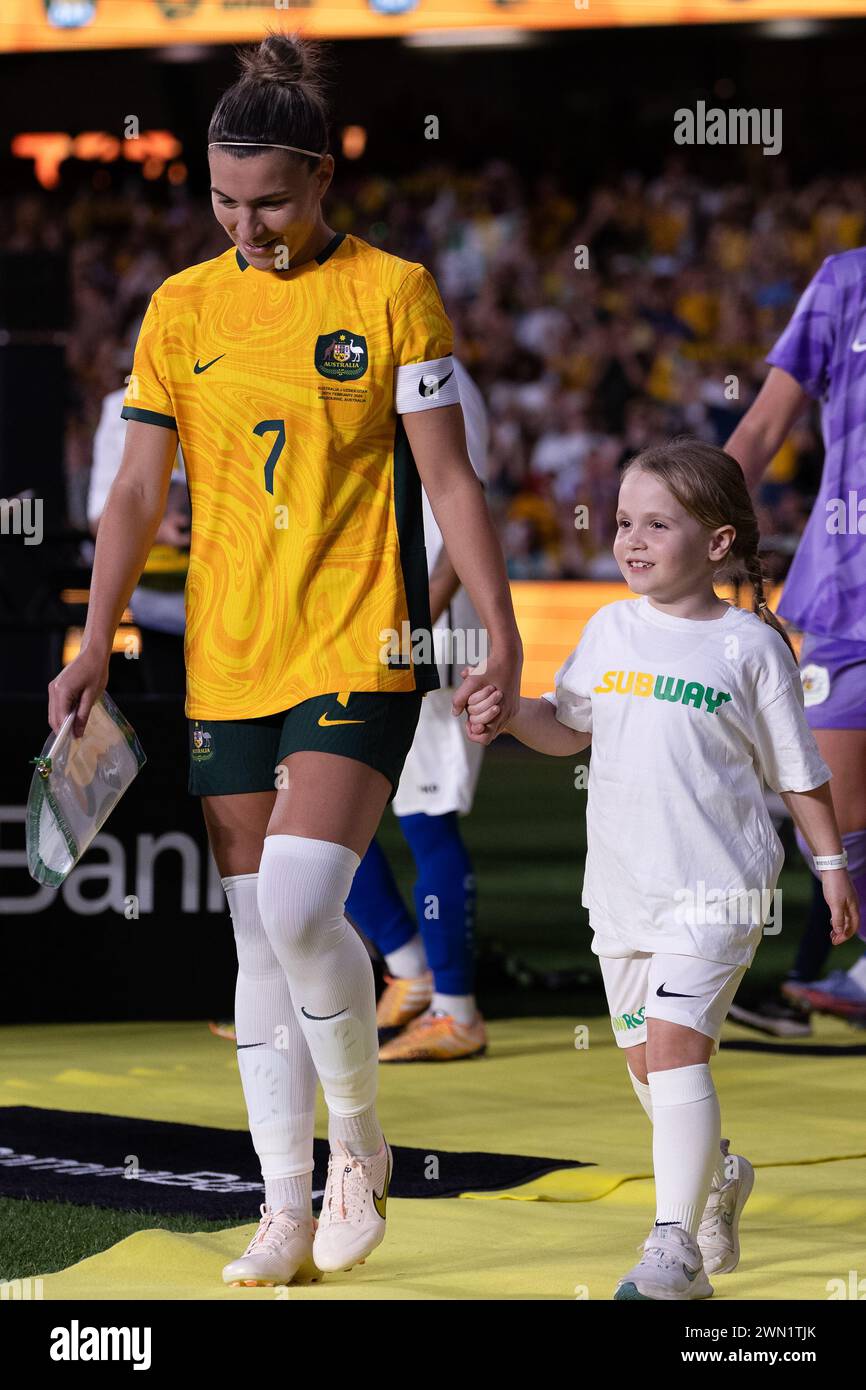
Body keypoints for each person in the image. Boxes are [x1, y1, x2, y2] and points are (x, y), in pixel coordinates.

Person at [47, 31, 522, 1288]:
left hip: (361, 646)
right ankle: (283, 1207)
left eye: (270, 200)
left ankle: (358, 1146)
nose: (246, 224)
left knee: (309, 908)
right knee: (260, 943)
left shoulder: (393, 290)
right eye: (222, 199)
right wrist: (92, 639)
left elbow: (448, 478)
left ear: (322, 180)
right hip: (227, 659)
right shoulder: (180, 308)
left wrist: (498, 620)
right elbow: (139, 490)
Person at [464, 438, 858, 1300]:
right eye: (622, 523)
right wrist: (504, 716)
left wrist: (831, 868)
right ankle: (715, 1177)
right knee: (649, 1069)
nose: (632, 540)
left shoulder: (753, 647)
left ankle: (672, 1247)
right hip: (624, 890)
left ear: (718, 543)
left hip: (719, 892)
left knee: (678, 1057)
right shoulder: (608, 627)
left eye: (657, 524)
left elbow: (801, 774)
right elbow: (566, 727)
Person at [726, 249, 866, 1029]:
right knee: (833, 810)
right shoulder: (845, 280)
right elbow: (765, 422)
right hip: (849, 586)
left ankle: (820, 979)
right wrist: (695, 516)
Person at [345, 357, 489, 1062]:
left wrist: (411, 632)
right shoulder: (351, 362)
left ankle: (454, 1006)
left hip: (427, 632)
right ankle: (408, 971)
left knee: (425, 817)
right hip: (363, 626)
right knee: (323, 802)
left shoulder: (439, 375)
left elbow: (465, 514)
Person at [88, 379, 188, 695]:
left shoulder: (219, 391)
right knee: (166, 703)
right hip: (155, 597)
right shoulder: (119, 405)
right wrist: (164, 531)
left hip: (230, 590)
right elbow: (102, 514)